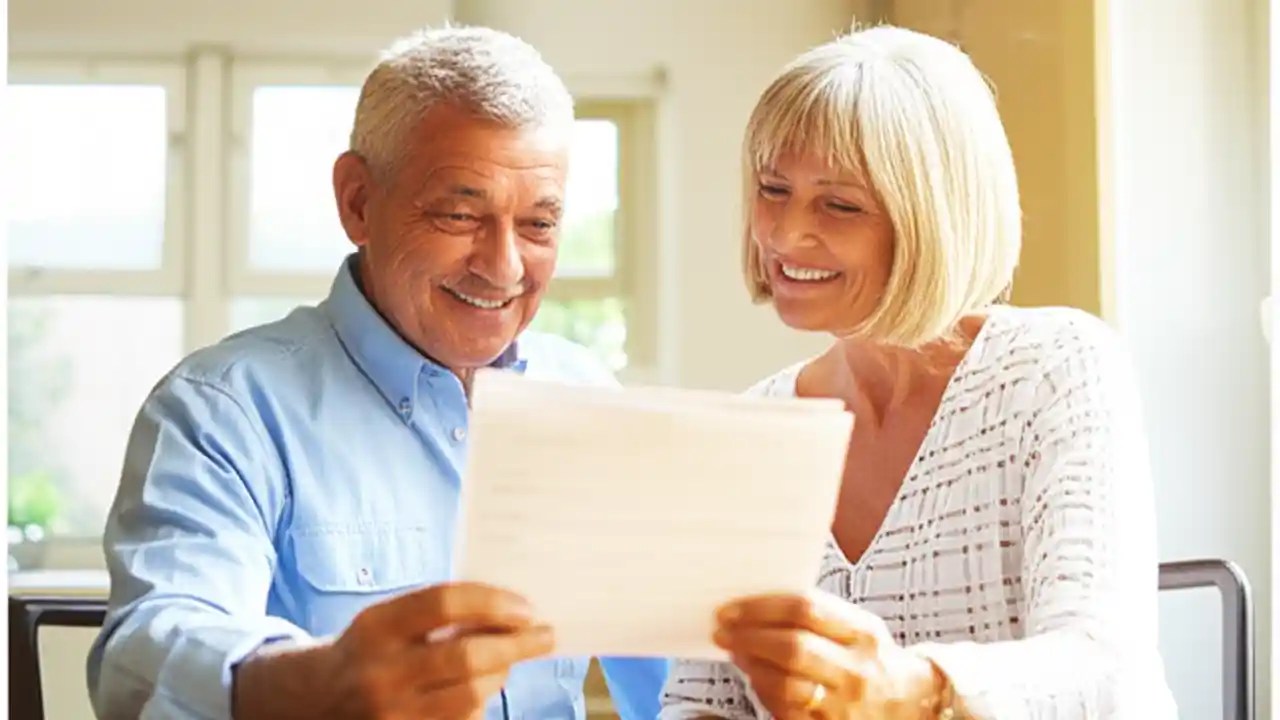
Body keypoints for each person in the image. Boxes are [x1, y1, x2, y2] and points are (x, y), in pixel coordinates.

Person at [87, 25, 668, 720]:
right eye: (460, 214)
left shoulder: (588, 401)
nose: (505, 266)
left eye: (539, 226)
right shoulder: (223, 411)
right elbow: (143, 657)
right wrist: (321, 681)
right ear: (358, 201)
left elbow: (671, 676)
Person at [659, 26, 1175, 719]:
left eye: (839, 204)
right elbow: (704, 704)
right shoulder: (750, 432)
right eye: (773, 189)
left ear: (932, 217)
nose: (785, 234)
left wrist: (912, 689)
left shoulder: (1054, 369)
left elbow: (1105, 670)